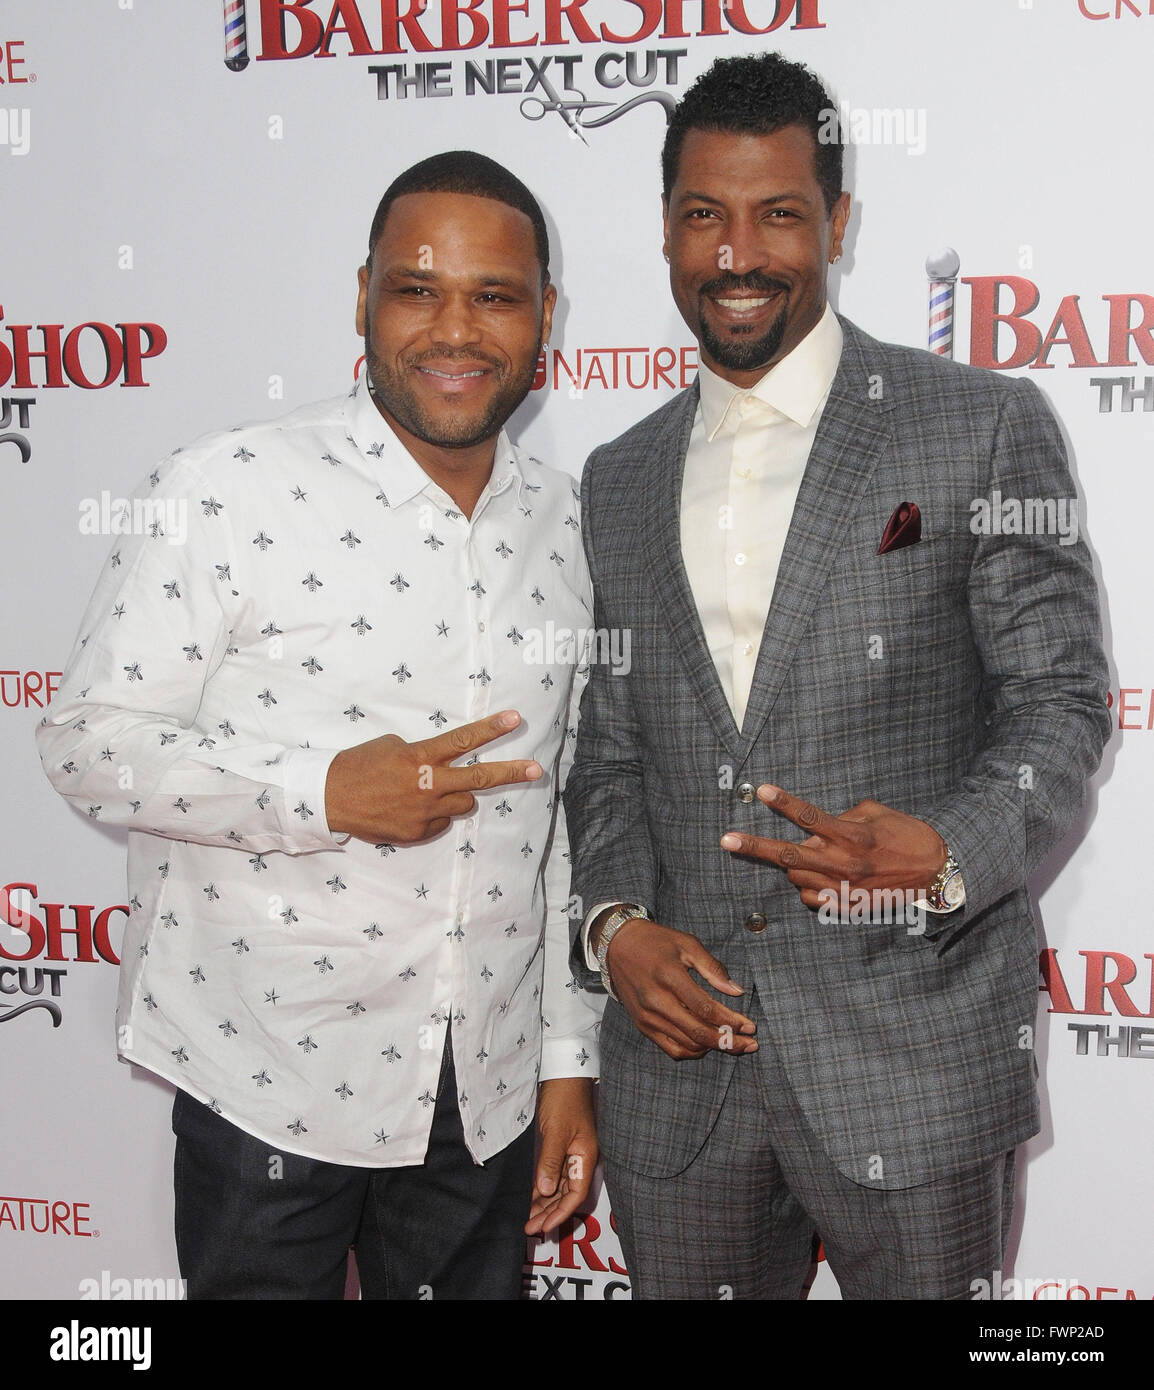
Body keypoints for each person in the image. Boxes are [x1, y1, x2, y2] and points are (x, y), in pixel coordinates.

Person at [565, 54, 1110, 1300]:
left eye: (777, 214)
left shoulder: (974, 422)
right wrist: (610, 927)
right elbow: (604, 755)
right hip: (678, 1074)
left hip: (910, 1057)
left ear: (838, 224)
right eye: (703, 214)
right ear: (663, 228)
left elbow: (1060, 704)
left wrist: (948, 848)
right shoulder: (616, 477)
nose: (736, 252)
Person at [36, 150, 601, 1301]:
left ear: (544, 317)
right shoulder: (226, 489)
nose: (456, 329)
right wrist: (319, 791)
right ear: (361, 297)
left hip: (476, 1096)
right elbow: (86, 740)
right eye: (416, 288)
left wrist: (562, 1058)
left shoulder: (570, 523)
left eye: (495, 295)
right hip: (267, 1077)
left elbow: (556, 830)